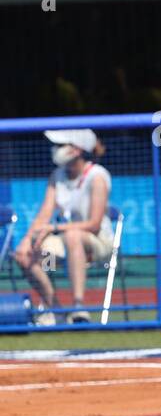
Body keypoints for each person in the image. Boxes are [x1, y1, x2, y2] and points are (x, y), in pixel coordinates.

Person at [15, 130, 113, 325]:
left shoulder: (97, 176)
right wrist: (27, 240)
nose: (55, 150)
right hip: (61, 252)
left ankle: (78, 307)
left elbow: (93, 224)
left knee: (73, 236)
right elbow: (44, 213)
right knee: (26, 255)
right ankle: (56, 309)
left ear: (76, 150)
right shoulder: (57, 176)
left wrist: (55, 227)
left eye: (60, 146)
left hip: (96, 245)